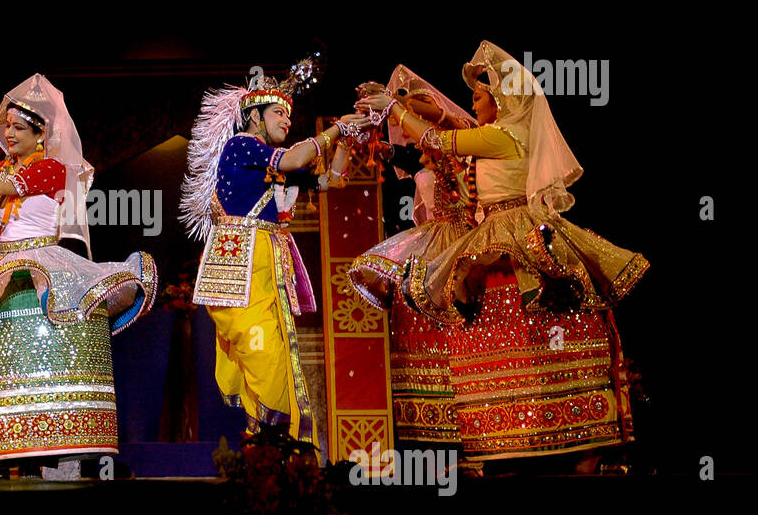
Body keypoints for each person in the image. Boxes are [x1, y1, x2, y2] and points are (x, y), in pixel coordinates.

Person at [357, 41, 648, 467]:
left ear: (502, 99)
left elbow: (441, 139)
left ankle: (560, 434)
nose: (473, 105)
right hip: (497, 229)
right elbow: (451, 123)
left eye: (479, 97)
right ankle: (506, 434)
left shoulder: (504, 136)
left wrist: (396, 111)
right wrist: (399, 103)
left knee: (522, 319)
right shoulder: (498, 132)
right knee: (495, 323)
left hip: (511, 232)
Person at [0, 73, 157, 479]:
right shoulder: (2, 167)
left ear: (40, 136)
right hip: (0, 269)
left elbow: (4, 186)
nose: (10, 133)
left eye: (19, 128)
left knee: (38, 364)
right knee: (2, 365)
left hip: (39, 272)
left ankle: (45, 457)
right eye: (7, 126)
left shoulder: (51, 168)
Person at [179, 57, 368, 461]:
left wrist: (347, 140)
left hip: (266, 265)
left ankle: (267, 451)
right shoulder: (242, 145)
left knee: (278, 358)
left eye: (289, 114)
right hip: (241, 267)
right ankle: (268, 448)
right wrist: (337, 127)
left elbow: (331, 181)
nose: (286, 120)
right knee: (262, 353)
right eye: (278, 113)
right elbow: (296, 159)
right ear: (254, 117)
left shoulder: (269, 161)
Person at [348, 66, 476, 450]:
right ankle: (430, 433)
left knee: (453, 320)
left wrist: (396, 103)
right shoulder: (430, 154)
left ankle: (468, 420)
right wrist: (377, 138)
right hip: (431, 240)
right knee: (415, 312)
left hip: (458, 241)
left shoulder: (458, 140)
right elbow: (407, 154)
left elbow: (438, 126)